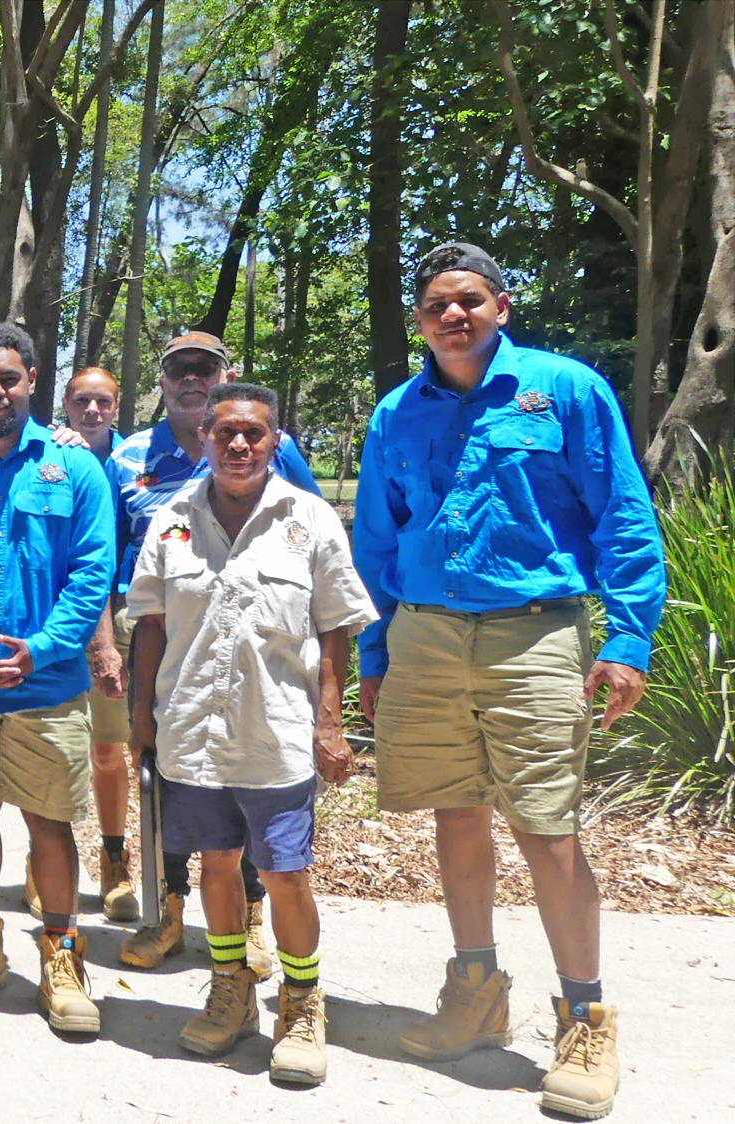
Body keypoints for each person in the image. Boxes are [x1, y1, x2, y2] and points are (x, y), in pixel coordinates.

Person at [355, 243, 664, 1120]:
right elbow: (376, 543)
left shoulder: (563, 390)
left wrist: (628, 639)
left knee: (546, 825)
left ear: (501, 306)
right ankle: (477, 989)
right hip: (424, 635)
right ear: (420, 321)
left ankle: (584, 1013)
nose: (452, 316)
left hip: (536, 636)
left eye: (468, 301)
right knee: (456, 812)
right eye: (435, 306)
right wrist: (376, 654)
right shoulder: (395, 413)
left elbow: (624, 518)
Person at [127, 383, 377, 1085]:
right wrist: (140, 717)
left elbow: (335, 628)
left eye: (254, 434)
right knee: (214, 865)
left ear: (275, 442)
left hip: (278, 734)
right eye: (225, 432)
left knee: (284, 873)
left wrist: (331, 723)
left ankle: (300, 1001)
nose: (239, 445)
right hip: (192, 731)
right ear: (204, 437)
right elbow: (149, 623)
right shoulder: (170, 520)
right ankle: (231, 988)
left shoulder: (310, 520)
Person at [107, 331, 321, 975]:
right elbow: (108, 542)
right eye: (180, 371)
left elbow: (311, 535)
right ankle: (168, 911)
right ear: (164, 381)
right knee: (169, 778)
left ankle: (253, 919)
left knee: (244, 773)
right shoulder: (128, 455)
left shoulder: (263, 445)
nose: (192, 380)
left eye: (205, 369)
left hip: (247, 631)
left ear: (225, 374)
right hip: (154, 623)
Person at [0, 324, 115, 1036]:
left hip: (48, 685)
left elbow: (93, 570)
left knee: (50, 821)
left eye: (7, 378)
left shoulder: (76, 468)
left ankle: (62, 957)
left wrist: (40, 650)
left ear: (33, 379)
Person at [56, 367, 136, 923]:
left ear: (117, 404)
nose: (91, 410)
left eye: (102, 401)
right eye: (81, 400)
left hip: (116, 622)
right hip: (58, 622)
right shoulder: (47, 453)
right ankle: (50, 864)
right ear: (65, 402)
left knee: (109, 749)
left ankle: (115, 860)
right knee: (54, 750)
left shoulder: (137, 462)